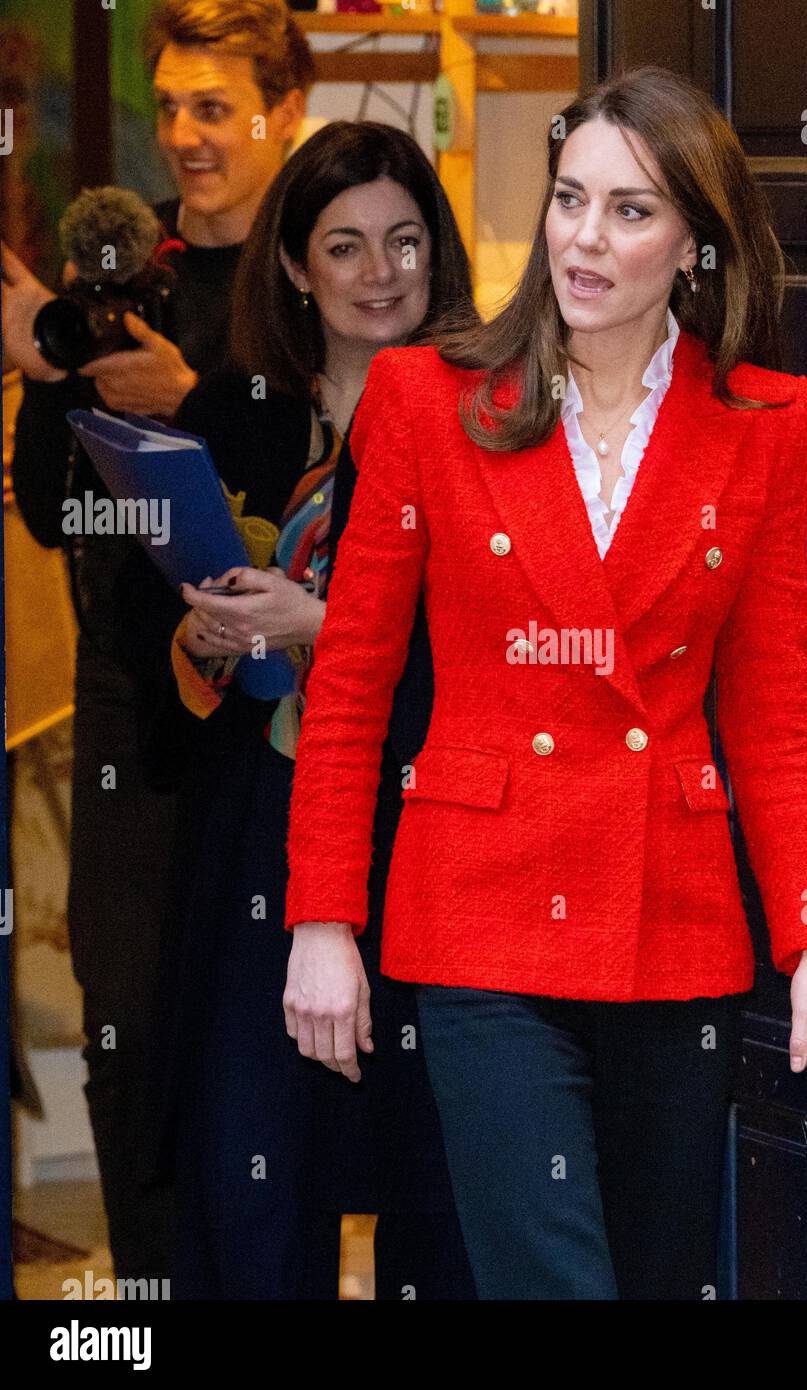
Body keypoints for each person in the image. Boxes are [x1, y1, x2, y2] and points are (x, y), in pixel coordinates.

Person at [280, 65, 807, 1301]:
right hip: (481, 926)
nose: (585, 239)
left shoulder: (761, 421)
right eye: (568, 199)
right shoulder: (426, 401)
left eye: (631, 211)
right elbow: (350, 686)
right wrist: (324, 919)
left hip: (676, 928)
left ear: (696, 244)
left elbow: (770, 706)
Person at [3, 0, 312, 1282]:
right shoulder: (128, 277)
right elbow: (42, 505)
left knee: (261, 1055)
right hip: (131, 702)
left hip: (274, 718)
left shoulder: (318, 277)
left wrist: (190, 402)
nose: (185, 137)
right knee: (127, 1040)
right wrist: (54, 375)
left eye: (214, 109)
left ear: (281, 114)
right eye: (172, 106)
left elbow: (329, 468)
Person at [162, 120, 478, 1300]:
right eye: (345, 246)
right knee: (254, 1162)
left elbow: (500, 645)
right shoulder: (231, 409)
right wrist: (202, 636)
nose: (381, 271)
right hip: (262, 827)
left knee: (432, 1170)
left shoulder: (493, 415)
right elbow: (167, 654)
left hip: (432, 833)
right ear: (295, 265)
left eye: (404, 241)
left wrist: (325, 627)